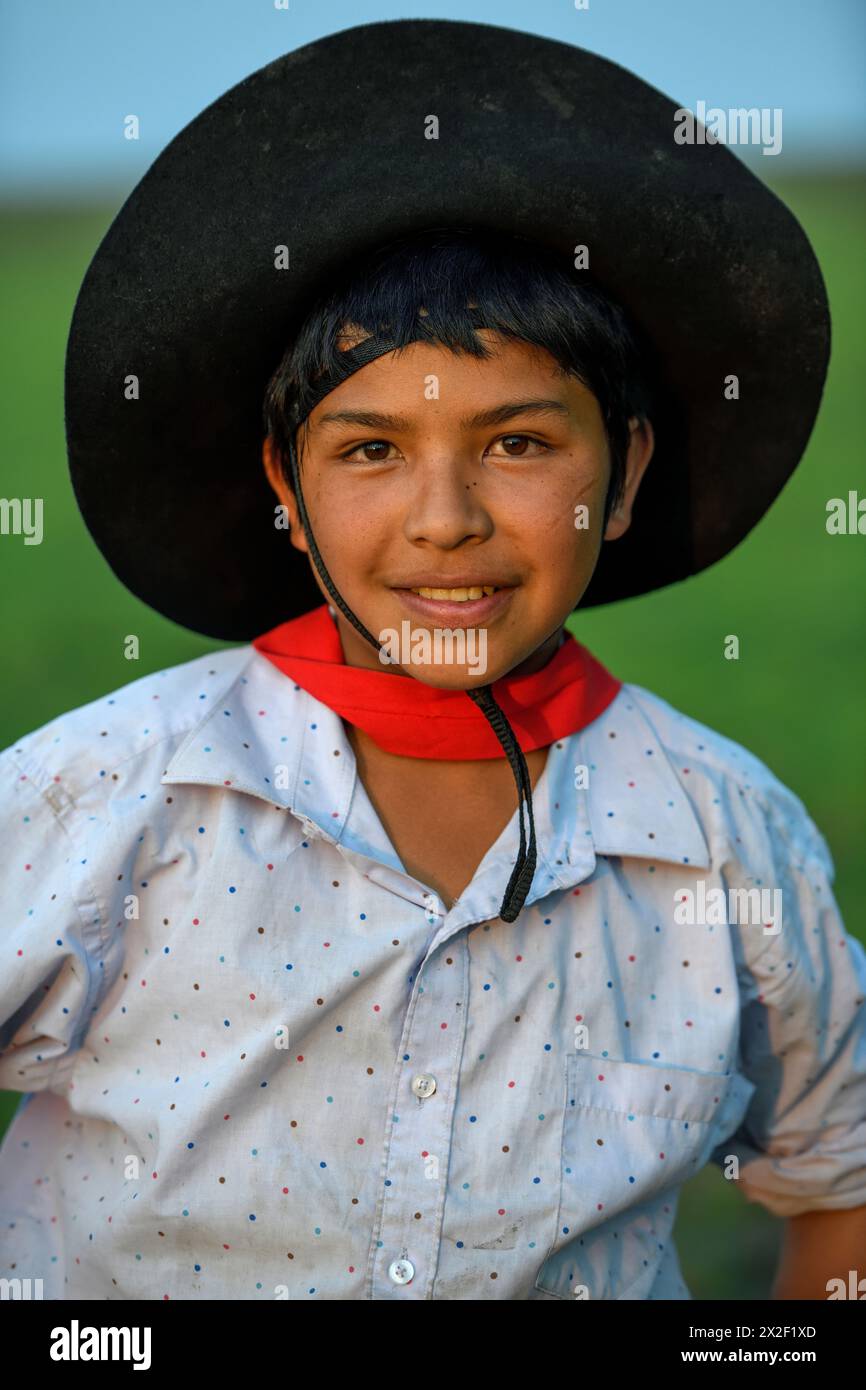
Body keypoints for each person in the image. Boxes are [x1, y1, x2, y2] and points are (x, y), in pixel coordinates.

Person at [0, 19, 864, 1301]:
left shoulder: (726, 837)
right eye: (367, 451)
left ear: (621, 474)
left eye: (518, 444)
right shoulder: (101, 797)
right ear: (282, 490)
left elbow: (834, 1185)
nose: (445, 516)